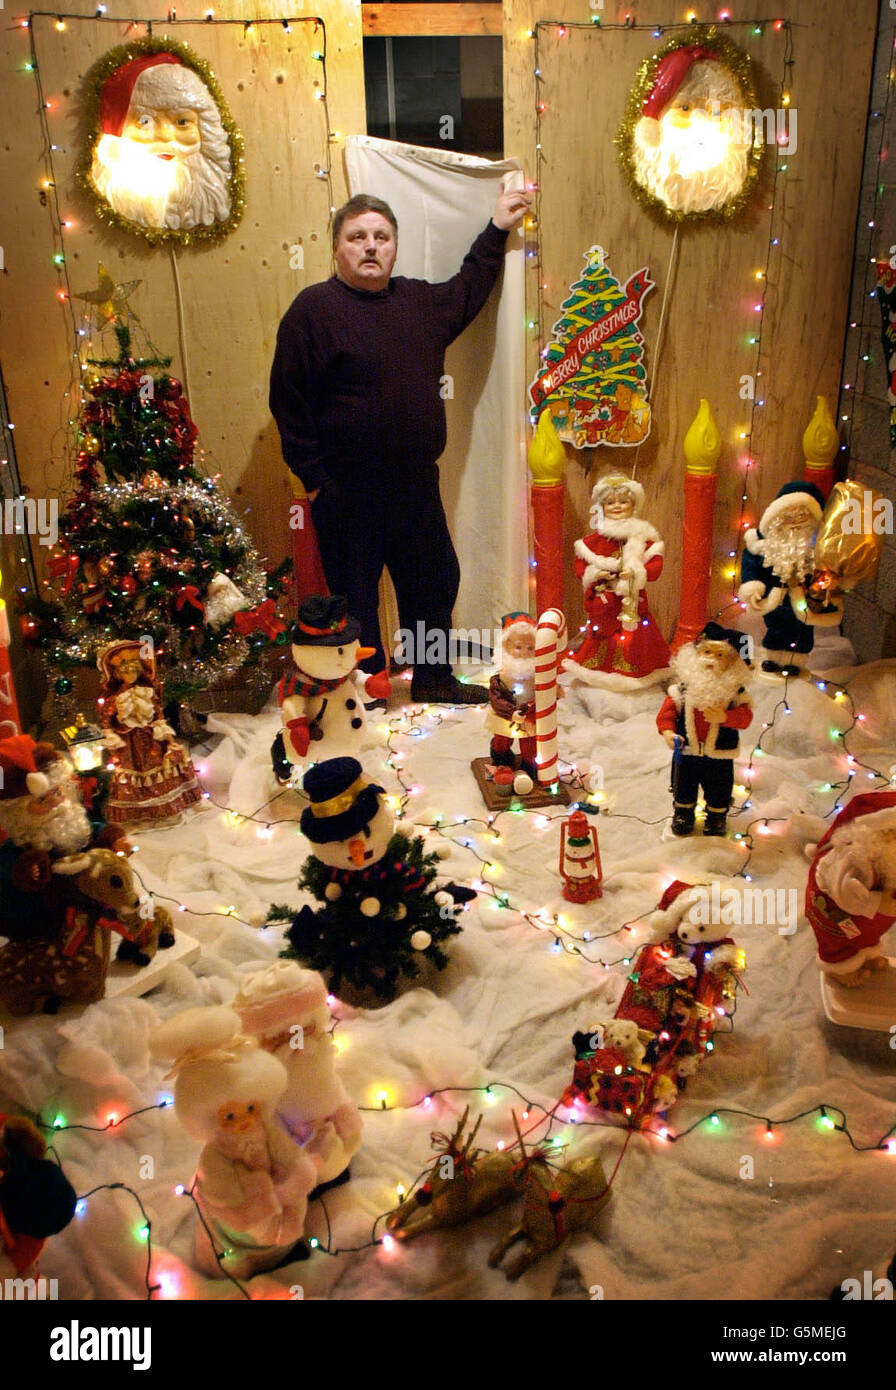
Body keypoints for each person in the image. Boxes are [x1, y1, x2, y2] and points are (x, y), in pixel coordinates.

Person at [269, 182, 530, 705]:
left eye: (382, 237)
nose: (370, 246)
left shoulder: (419, 302)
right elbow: (288, 399)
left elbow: (469, 286)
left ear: (394, 246)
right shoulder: (312, 310)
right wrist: (315, 480)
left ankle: (432, 680)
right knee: (356, 595)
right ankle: (368, 691)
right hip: (346, 491)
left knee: (434, 582)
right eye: (357, 236)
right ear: (337, 247)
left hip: (415, 485)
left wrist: (498, 226)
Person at [565, 472, 669, 689]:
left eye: (623, 501)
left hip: (633, 607)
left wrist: (636, 572)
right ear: (602, 507)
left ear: (634, 505)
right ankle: (601, 676)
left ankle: (633, 676)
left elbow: (655, 567)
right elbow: (580, 565)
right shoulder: (593, 542)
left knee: (635, 640)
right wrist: (595, 574)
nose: (617, 506)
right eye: (610, 502)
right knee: (601, 639)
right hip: (604, 608)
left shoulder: (643, 537)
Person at [656, 623, 753, 838]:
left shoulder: (734, 692)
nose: (711, 658)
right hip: (687, 751)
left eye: (720, 655)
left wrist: (726, 717)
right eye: (706, 652)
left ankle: (716, 817)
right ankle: (683, 813)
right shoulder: (683, 689)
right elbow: (667, 713)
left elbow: (746, 718)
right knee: (683, 785)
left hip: (720, 753)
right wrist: (668, 732)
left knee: (719, 787)